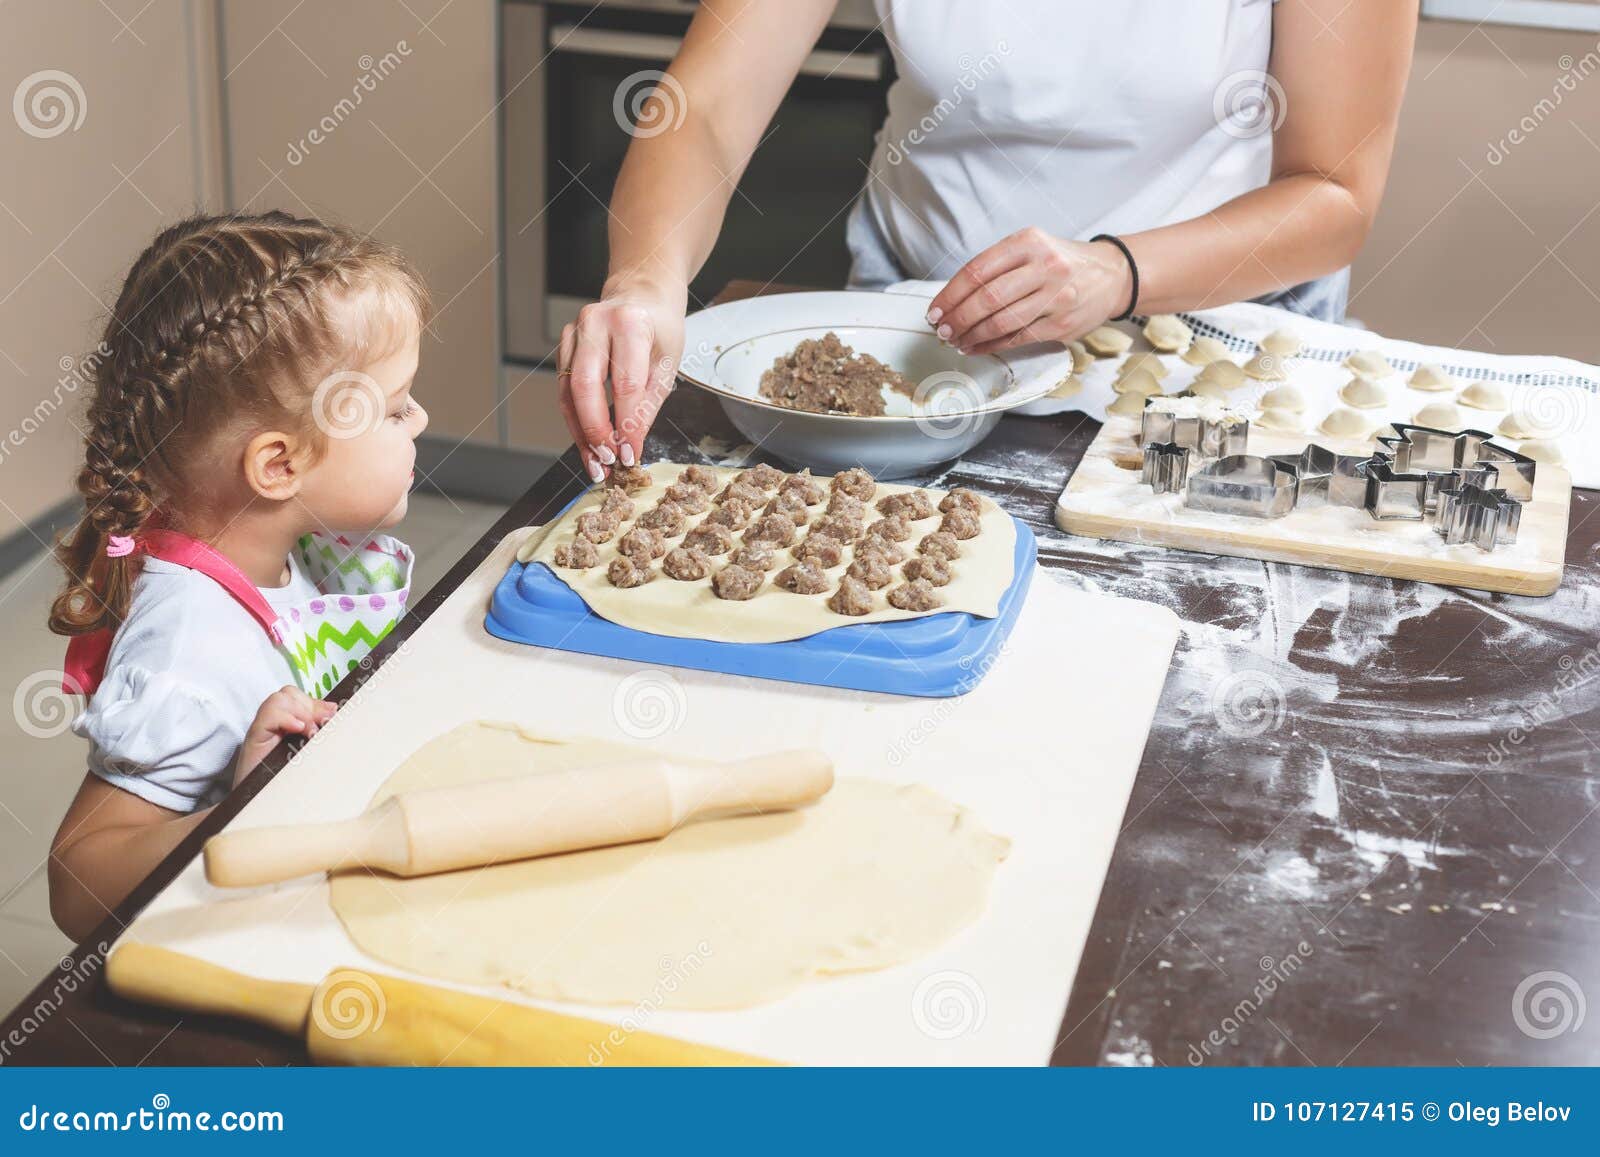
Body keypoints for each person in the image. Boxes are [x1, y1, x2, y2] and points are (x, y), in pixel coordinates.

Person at [556, 0, 1417, 480]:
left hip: (1214, 343)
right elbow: (703, 108)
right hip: (920, 338)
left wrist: (1116, 272)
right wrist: (645, 278)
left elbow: (1334, 191)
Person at [45, 211, 430, 939]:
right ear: (279, 465)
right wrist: (244, 804)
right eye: (395, 408)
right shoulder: (189, 643)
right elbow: (77, 884)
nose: (419, 420)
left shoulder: (281, 542)